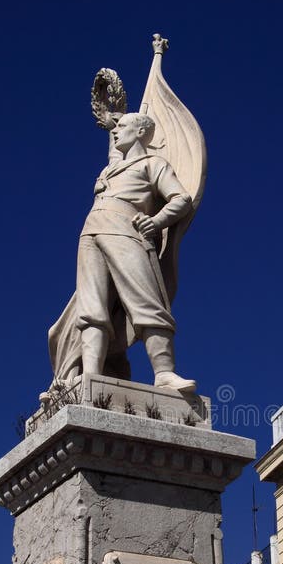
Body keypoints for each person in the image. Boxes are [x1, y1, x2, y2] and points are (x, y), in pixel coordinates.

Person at [48, 111, 197, 396]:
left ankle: (164, 372)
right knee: (91, 308)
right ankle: (90, 376)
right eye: (116, 129)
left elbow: (182, 200)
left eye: (123, 126)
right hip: (91, 231)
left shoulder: (153, 163)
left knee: (146, 300)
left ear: (141, 132)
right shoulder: (113, 168)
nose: (117, 131)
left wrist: (156, 221)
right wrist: (112, 122)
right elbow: (114, 153)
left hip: (126, 229)